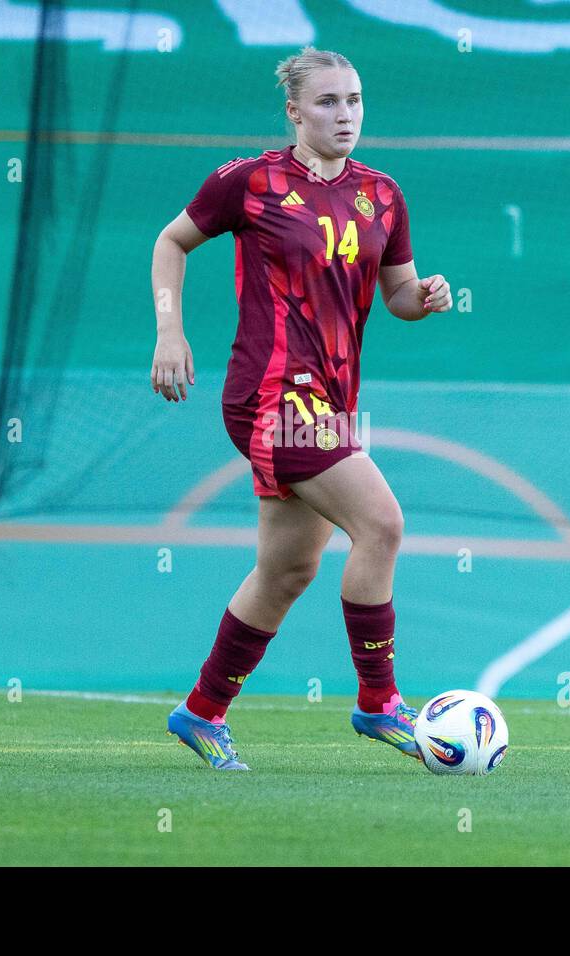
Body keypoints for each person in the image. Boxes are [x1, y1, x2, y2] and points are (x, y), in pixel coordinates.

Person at [149, 47, 452, 770]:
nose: (344, 114)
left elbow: (399, 297)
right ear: (294, 112)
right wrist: (169, 330)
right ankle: (380, 703)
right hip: (270, 396)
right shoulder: (248, 182)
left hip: (333, 402)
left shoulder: (382, 194)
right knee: (381, 523)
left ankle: (201, 711)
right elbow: (171, 241)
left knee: (287, 571)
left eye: (353, 100)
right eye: (327, 102)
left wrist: (427, 299)